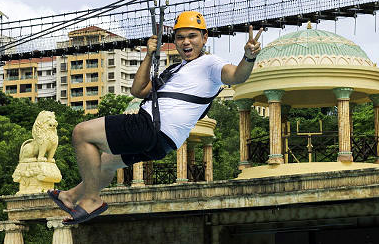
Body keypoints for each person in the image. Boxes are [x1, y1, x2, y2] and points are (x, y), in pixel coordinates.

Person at [49, 13, 262, 224]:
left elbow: (237, 76)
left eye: (192, 36)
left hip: (150, 127)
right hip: (163, 142)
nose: (186, 42)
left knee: (81, 133)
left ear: (204, 38)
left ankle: (91, 200)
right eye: (180, 37)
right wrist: (150, 54)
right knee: (105, 163)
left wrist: (249, 56)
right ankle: (71, 196)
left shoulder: (211, 64)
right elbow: (138, 90)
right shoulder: (174, 70)